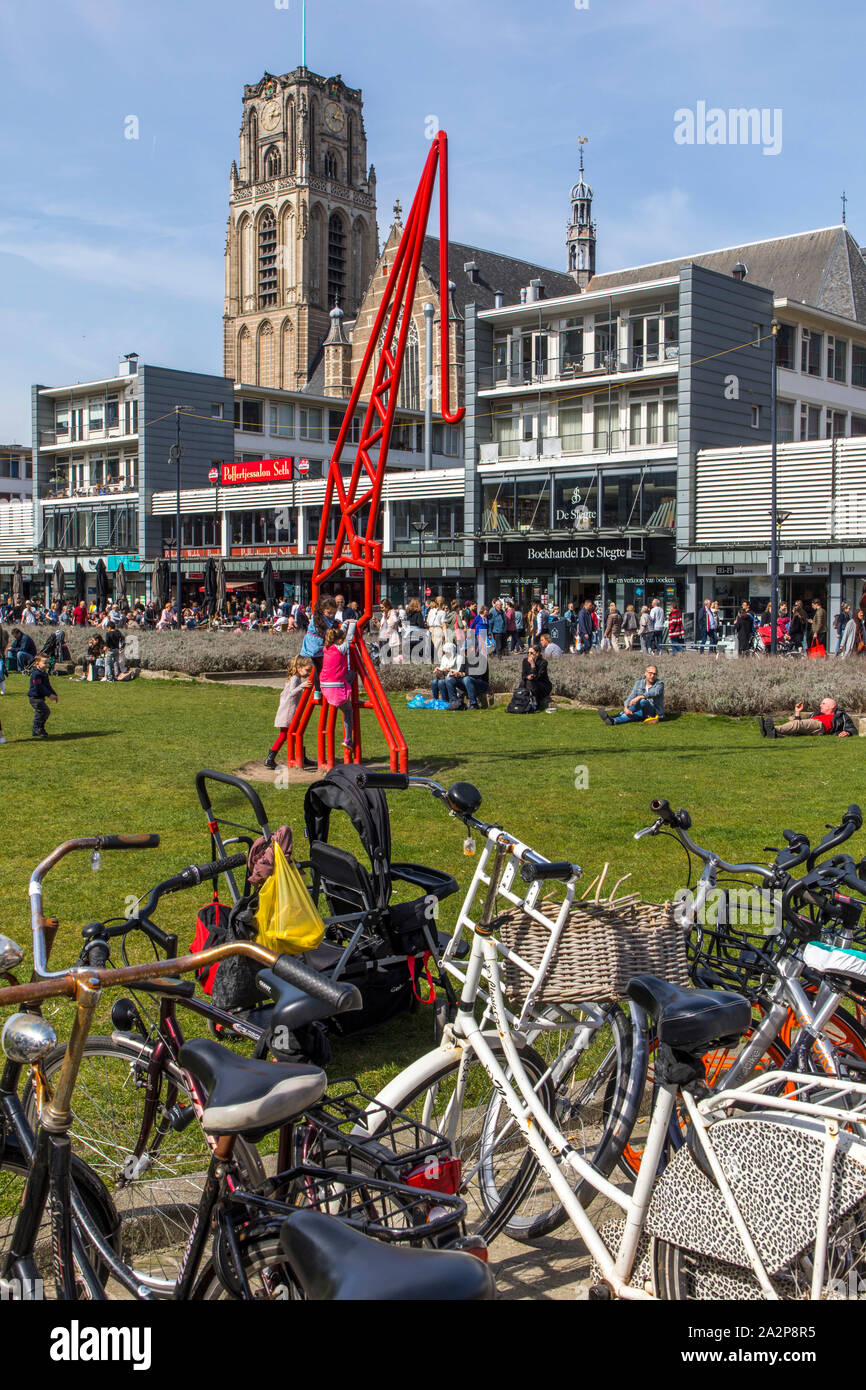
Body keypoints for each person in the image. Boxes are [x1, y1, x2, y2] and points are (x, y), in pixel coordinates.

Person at [264, 655, 314, 768]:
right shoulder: (295, 678)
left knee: (294, 734)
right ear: (299, 667)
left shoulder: (296, 677)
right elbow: (291, 693)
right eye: (307, 670)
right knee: (285, 735)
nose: (308, 673)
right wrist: (302, 686)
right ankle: (270, 758)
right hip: (288, 713)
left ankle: (300, 757)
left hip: (289, 711)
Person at [320, 620, 358, 751]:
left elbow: (343, 636)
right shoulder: (340, 649)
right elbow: (349, 638)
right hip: (335, 687)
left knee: (349, 674)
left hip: (325, 685)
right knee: (348, 711)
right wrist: (353, 624)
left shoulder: (326, 649)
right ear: (339, 640)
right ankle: (348, 739)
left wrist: (345, 624)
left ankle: (348, 739)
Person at [760, 698, 857, 739]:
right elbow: (798, 725)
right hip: (813, 726)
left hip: (820, 725)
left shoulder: (841, 715)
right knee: (796, 730)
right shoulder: (816, 713)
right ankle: (773, 733)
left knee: (798, 724)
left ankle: (773, 729)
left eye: (823, 703)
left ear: (831, 706)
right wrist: (797, 712)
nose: (820, 705)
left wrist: (848, 732)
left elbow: (852, 728)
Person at [598, 665, 665, 725]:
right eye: (650, 673)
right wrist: (626, 707)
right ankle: (613, 720)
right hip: (641, 711)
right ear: (645, 673)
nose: (652, 676)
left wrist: (640, 697)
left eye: (654, 674)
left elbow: (654, 692)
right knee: (630, 715)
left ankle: (619, 714)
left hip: (654, 713)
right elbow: (632, 695)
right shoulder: (639, 683)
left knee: (643, 701)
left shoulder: (660, 684)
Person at [301, 597, 338, 688]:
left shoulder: (324, 617)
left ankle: (319, 689)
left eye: (333, 613)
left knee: (320, 668)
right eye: (329, 613)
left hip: (317, 645)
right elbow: (327, 628)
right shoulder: (318, 618)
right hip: (315, 646)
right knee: (321, 668)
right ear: (322, 610)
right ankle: (320, 689)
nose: (331, 615)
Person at [446, 642, 490, 710]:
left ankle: (474, 704)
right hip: (467, 682)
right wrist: (456, 674)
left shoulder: (482, 659)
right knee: (449, 679)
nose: (465, 652)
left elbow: (478, 675)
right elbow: (461, 671)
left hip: (481, 684)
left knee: (467, 679)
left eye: (465, 650)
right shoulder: (465, 659)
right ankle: (454, 702)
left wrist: (463, 674)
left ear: (472, 649)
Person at [28, 655, 58, 739]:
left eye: (47, 663)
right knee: (44, 711)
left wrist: (54, 694)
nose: (47, 665)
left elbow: (47, 686)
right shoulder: (36, 675)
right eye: (44, 663)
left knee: (41, 712)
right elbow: (39, 687)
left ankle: (36, 729)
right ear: (37, 664)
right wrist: (49, 695)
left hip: (40, 697)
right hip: (34, 697)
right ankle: (38, 728)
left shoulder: (44, 674)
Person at [521, 644, 552, 708]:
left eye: (531, 653)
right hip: (530, 684)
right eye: (528, 653)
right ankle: (527, 703)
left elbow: (538, 677)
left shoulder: (543, 662)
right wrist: (527, 677)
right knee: (523, 682)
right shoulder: (525, 661)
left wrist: (533, 665)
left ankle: (533, 704)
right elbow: (523, 675)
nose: (529, 654)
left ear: (537, 653)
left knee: (529, 682)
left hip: (542, 685)